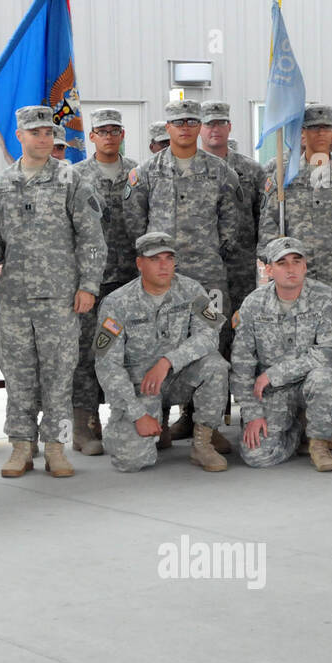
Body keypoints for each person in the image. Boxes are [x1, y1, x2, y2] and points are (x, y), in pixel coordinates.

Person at [0, 105, 105, 477]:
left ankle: (56, 448)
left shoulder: (72, 180)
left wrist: (89, 286)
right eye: (36, 133)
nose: (44, 139)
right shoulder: (1, 184)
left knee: (58, 376)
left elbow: (92, 239)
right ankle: (21, 447)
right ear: (20, 136)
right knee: (18, 375)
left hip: (60, 298)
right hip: (14, 300)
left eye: (49, 133)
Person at [126, 99, 240, 450]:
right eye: (178, 122)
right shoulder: (146, 172)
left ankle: (203, 421)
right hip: (161, 276)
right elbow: (134, 221)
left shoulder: (220, 171)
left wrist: (212, 253)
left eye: (192, 121)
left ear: (199, 126)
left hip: (207, 275)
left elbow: (231, 222)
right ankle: (156, 420)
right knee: (156, 341)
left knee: (212, 342)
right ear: (168, 127)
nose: (186, 127)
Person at [93, 232, 230, 473]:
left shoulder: (191, 289)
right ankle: (154, 424)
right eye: (155, 259)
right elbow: (107, 365)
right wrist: (137, 414)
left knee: (215, 365)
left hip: (177, 378)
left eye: (169, 258)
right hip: (140, 388)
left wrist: (168, 361)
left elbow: (210, 335)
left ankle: (203, 444)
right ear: (139, 263)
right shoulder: (116, 303)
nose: (164, 265)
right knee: (131, 462)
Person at [230, 237, 332, 471]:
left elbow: (329, 353)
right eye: (282, 263)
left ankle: (318, 443)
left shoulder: (326, 298)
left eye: (296, 261)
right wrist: (252, 414)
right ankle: (298, 429)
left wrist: (275, 373)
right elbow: (241, 363)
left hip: (308, 383)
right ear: (269, 269)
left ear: (305, 266)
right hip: (273, 392)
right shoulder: (254, 304)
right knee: (257, 456)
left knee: (325, 378)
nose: (291, 268)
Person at [69, 108, 139, 455]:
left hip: (130, 279)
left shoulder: (139, 173)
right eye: (102, 131)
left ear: (122, 134)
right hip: (90, 281)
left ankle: (128, 419)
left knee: (126, 351)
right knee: (85, 351)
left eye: (115, 130)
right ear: (92, 137)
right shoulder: (75, 176)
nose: (109, 136)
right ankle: (84, 424)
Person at [258, 103, 332, 298]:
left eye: (326, 128)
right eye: (314, 128)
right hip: (294, 280)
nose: (321, 133)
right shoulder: (284, 175)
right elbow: (268, 229)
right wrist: (276, 273)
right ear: (303, 133)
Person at [200, 100, 266, 323]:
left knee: (243, 323)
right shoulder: (191, 168)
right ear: (200, 128)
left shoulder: (251, 170)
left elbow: (264, 217)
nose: (215, 129)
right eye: (209, 124)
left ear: (230, 127)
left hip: (242, 265)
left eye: (221, 123)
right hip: (202, 265)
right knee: (210, 324)